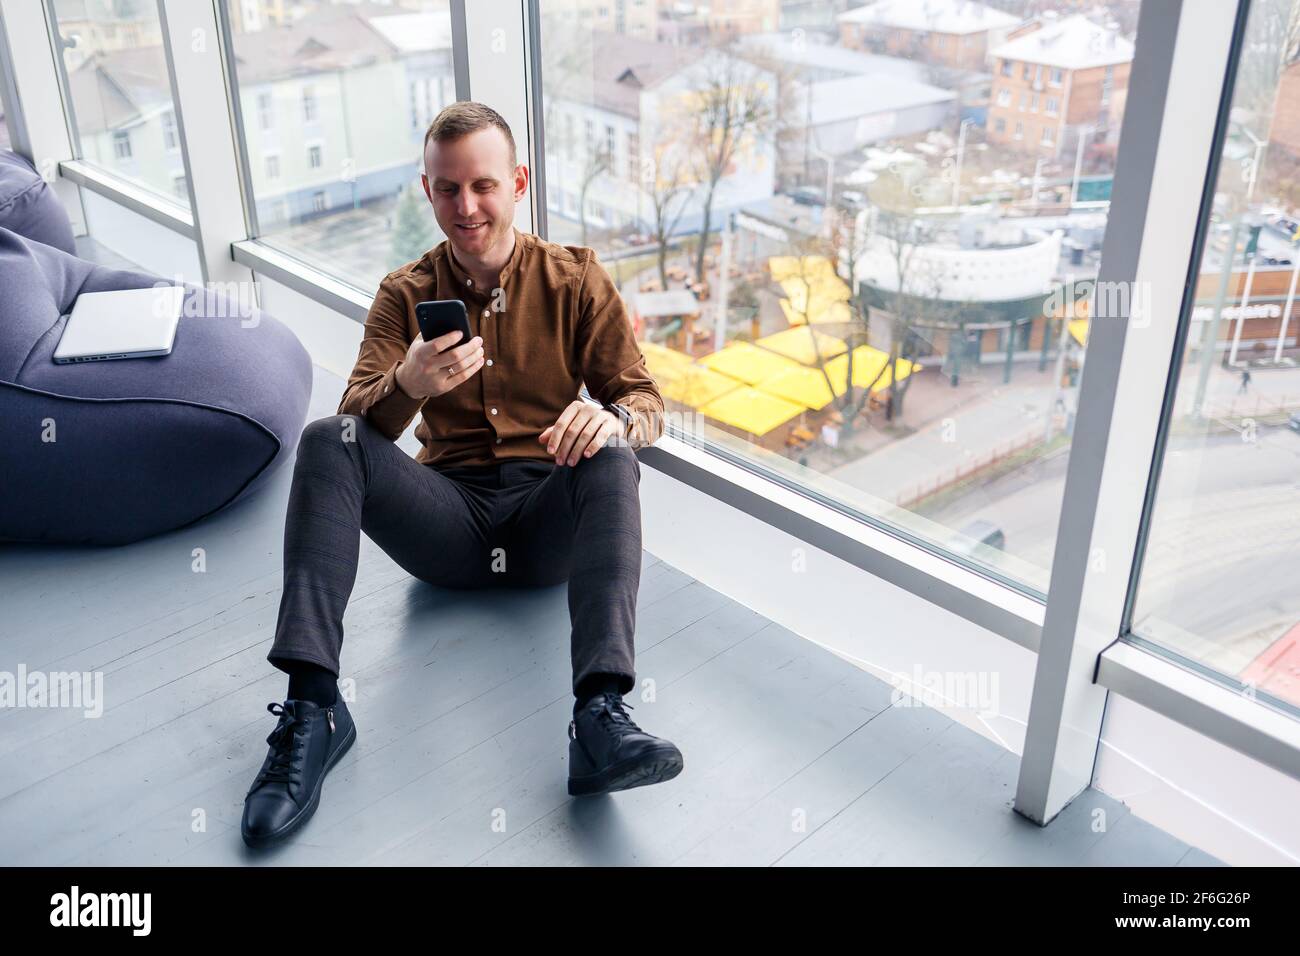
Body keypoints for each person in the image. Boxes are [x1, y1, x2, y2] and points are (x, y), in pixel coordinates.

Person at [240, 102, 683, 848]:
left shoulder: (576, 280)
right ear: (427, 189)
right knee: (326, 436)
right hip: (445, 527)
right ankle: (314, 710)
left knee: (611, 452)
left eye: (482, 185)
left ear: (518, 183)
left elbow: (643, 400)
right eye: (447, 189)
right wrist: (410, 383)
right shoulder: (402, 292)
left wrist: (616, 421)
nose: (466, 206)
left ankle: (600, 718)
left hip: (546, 527)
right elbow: (356, 421)